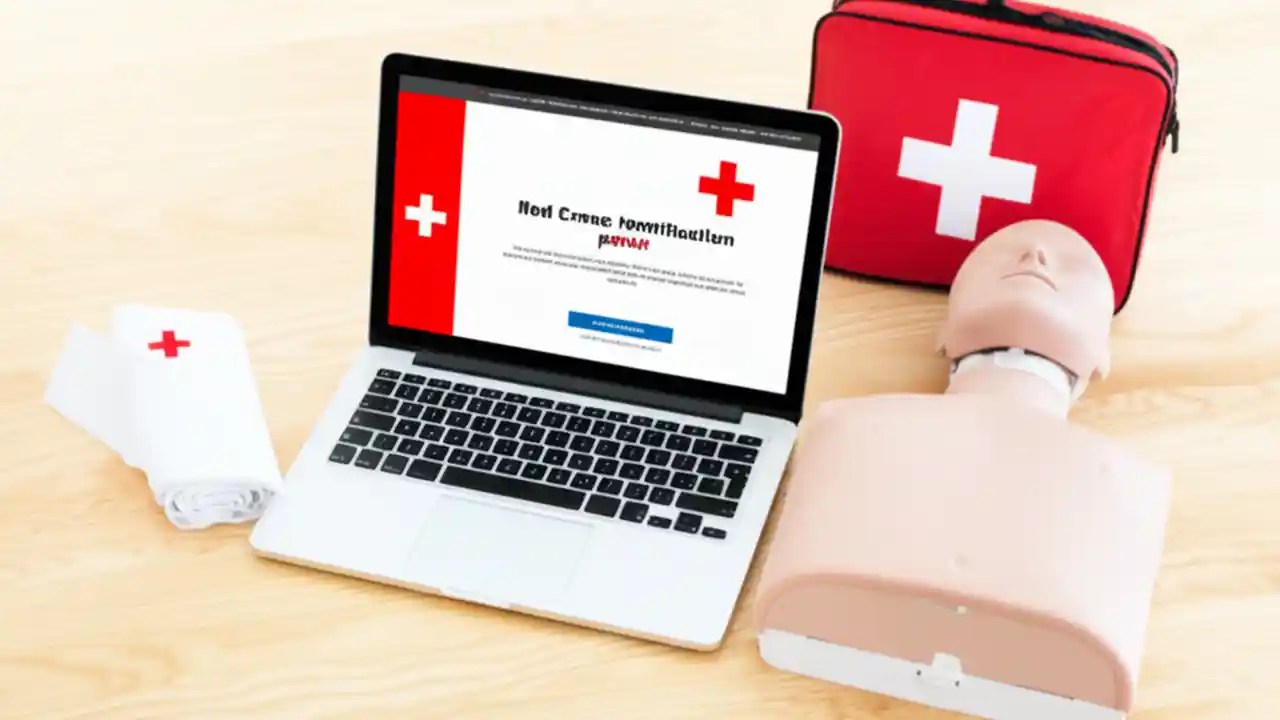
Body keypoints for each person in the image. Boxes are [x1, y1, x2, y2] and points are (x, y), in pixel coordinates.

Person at [756, 220, 1171, 712]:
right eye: (1000, 257)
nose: (1036, 255)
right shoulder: (850, 428)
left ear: (1102, 360)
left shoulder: (1126, 489)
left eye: (1073, 266)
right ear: (944, 334)